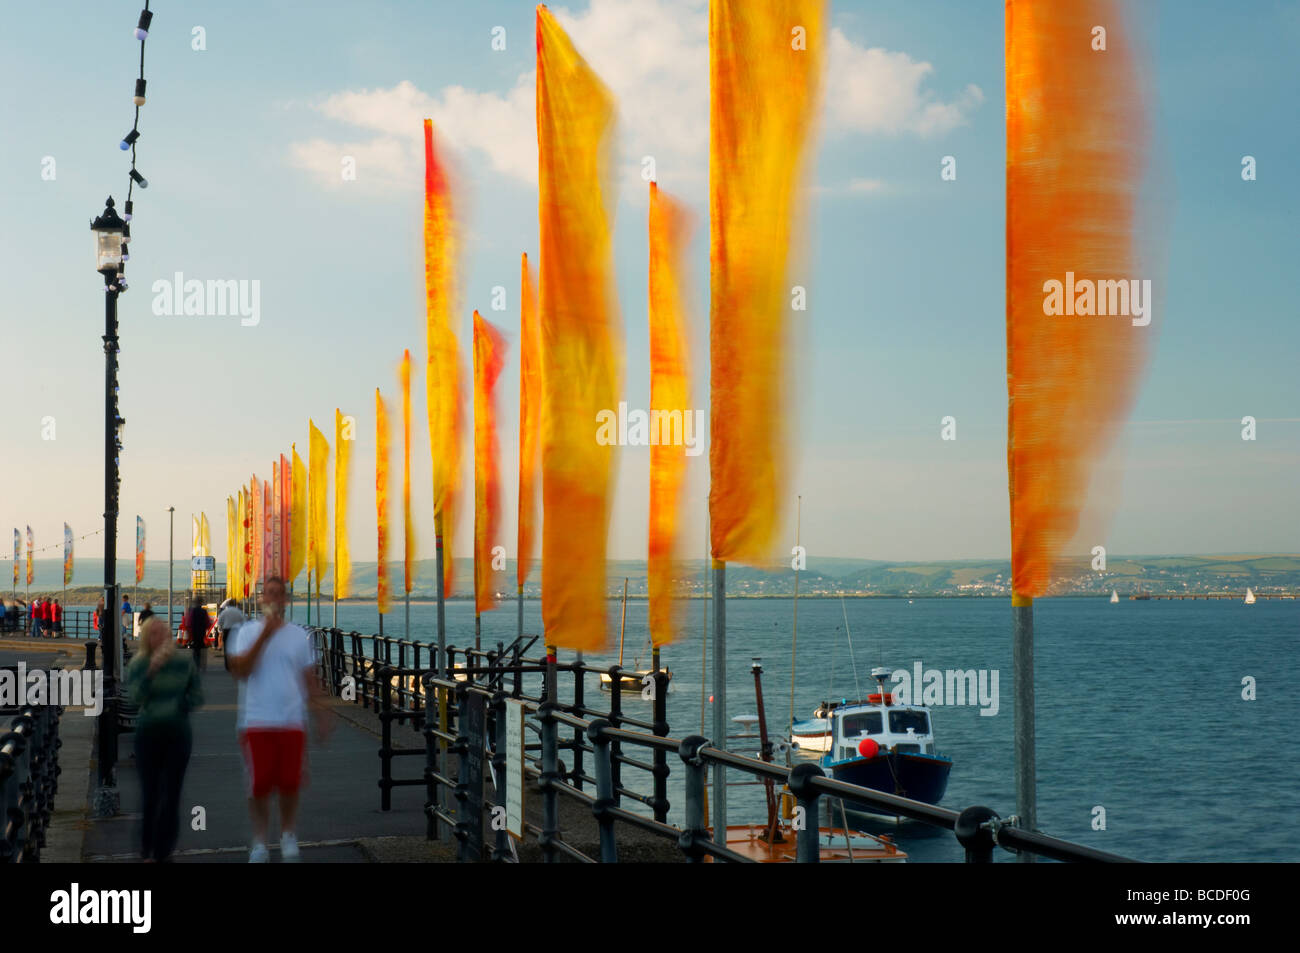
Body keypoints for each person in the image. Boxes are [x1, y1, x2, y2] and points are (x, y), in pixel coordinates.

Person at [228, 576, 332, 862]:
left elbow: (309, 679)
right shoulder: (246, 632)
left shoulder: (299, 635)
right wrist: (265, 635)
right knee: (259, 785)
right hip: (256, 720)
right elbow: (240, 671)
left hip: (291, 720)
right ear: (262, 599)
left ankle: (288, 832)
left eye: (279, 594)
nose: (274, 599)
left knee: (289, 782)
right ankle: (260, 841)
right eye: (269, 594)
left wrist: (322, 714)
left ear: (286, 600)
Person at [125, 616, 203, 862]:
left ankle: (163, 851)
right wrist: (151, 671)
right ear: (147, 638)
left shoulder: (183, 663)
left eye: (164, 632)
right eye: (155, 633)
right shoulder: (139, 664)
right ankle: (146, 848)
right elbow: (136, 697)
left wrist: (180, 705)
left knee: (172, 795)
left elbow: (197, 696)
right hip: (148, 735)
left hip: (177, 735)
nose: (161, 637)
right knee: (150, 795)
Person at [217, 599, 246, 671]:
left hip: (227, 630)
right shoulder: (238, 612)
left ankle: (227, 665)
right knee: (236, 648)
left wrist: (221, 628)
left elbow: (219, 622)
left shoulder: (225, 612)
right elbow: (243, 621)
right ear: (235, 605)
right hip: (236, 630)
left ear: (228, 605)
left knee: (227, 648)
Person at [185, 597, 211, 673]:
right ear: (201, 603)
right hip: (201, 632)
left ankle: (196, 664)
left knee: (195, 648)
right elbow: (208, 623)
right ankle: (201, 665)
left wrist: (189, 631)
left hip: (194, 632)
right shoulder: (204, 611)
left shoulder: (192, 611)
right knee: (201, 647)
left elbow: (189, 622)